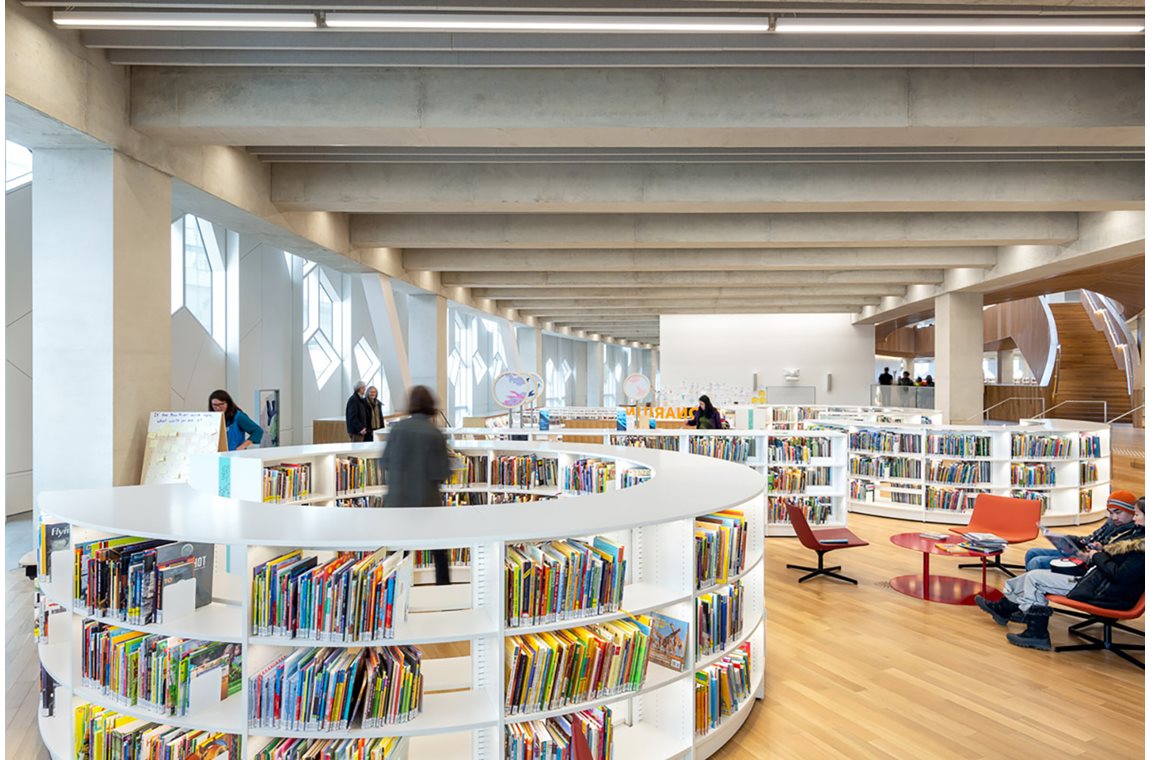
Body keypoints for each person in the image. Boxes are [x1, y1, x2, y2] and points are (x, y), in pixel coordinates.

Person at [975, 497, 1144, 651]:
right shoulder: (1137, 534)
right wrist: (1102, 551)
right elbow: (1120, 563)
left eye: (1137, 514)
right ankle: (1004, 609)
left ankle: (1036, 633)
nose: (1134, 518)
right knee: (1030, 576)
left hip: (1105, 592)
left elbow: (1121, 575)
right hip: (1098, 583)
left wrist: (1098, 556)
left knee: (1035, 578)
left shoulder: (1141, 546)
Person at [381, 386, 453, 585]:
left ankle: (393, 595)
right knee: (439, 551)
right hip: (427, 503)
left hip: (398, 503)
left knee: (397, 553)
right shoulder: (435, 433)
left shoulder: (397, 429)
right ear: (431, 405)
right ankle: (443, 593)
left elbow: (385, 462)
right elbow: (441, 472)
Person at [1023, 490, 1139, 571]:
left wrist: (1097, 550)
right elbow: (1089, 538)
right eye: (1111, 513)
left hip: (1090, 563)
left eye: (1118, 512)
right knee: (1032, 552)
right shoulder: (1112, 522)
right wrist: (1064, 539)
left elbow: (1109, 558)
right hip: (1082, 552)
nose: (1114, 517)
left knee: (1036, 562)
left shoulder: (1132, 531)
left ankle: (1034, 597)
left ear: (1132, 511)